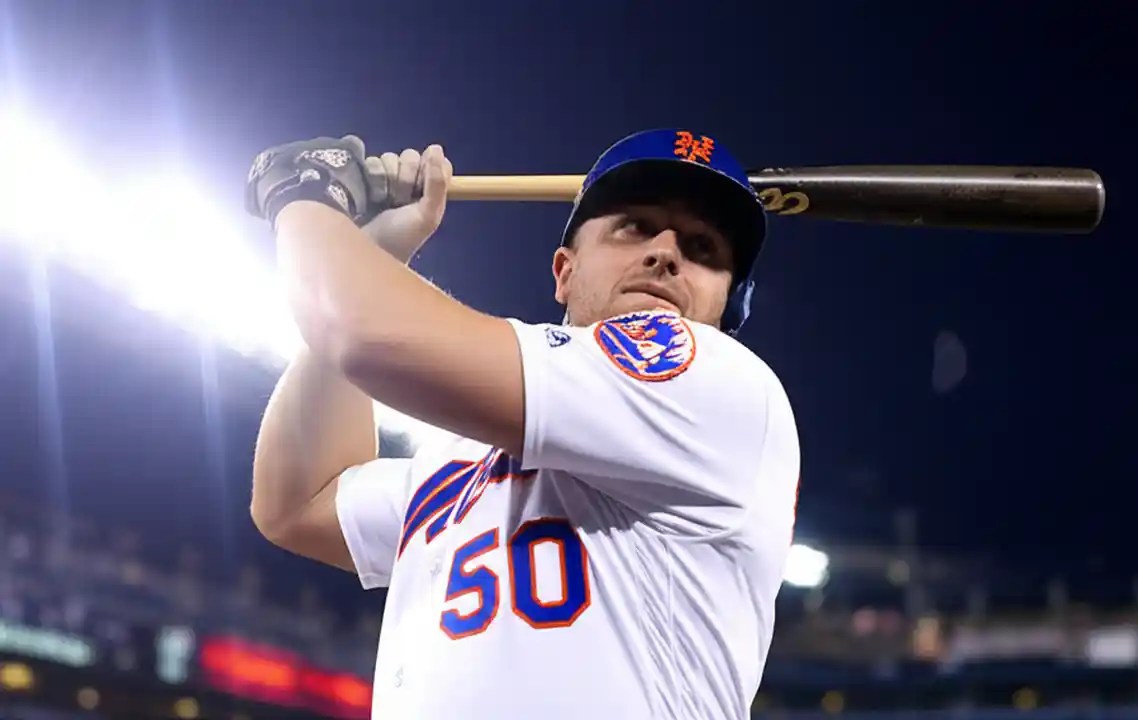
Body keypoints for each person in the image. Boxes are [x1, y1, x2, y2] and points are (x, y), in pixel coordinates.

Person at [244, 129, 801, 719]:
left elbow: (362, 332)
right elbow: (299, 502)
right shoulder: (467, 456)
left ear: (724, 306)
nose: (666, 252)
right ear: (564, 270)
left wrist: (305, 195)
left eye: (703, 248)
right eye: (634, 226)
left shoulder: (713, 385)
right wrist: (373, 254)